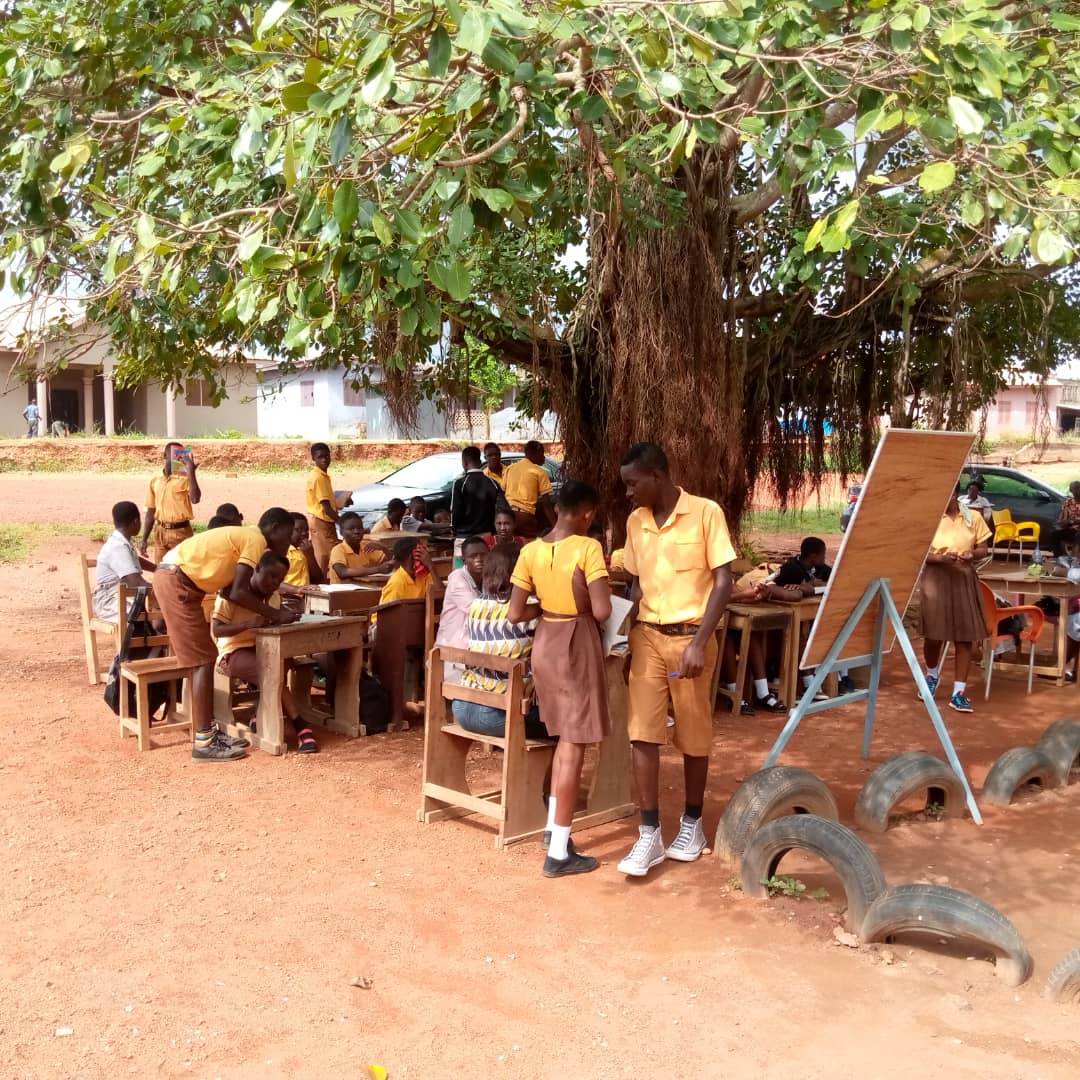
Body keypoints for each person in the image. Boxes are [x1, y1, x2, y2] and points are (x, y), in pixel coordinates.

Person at [617, 442, 734, 878]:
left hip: (690, 639)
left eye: (633, 484)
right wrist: (624, 638)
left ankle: (692, 824)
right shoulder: (635, 522)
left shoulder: (705, 513)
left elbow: (724, 581)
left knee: (692, 733)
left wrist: (700, 643)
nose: (628, 493)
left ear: (657, 476)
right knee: (642, 733)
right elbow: (635, 585)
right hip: (648, 637)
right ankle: (649, 833)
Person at [508, 480, 611, 878]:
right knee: (574, 743)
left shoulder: (530, 551)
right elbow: (601, 611)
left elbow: (515, 613)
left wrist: (544, 609)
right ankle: (558, 854)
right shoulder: (588, 548)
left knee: (564, 739)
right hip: (576, 642)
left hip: (546, 642)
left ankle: (554, 831)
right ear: (587, 514)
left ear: (555, 510)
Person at [153, 508, 299, 761]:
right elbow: (239, 593)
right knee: (203, 661)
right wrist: (275, 615)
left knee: (204, 658)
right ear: (274, 528)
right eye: (287, 537)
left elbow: (230, 591)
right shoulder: (255, 540)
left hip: (179, 579)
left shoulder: (246, 538)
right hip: (177, 581)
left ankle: (208, 733)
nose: (288, 545)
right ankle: (204, 741)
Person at [211, 551, 319, 753]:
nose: (274, 583)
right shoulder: (231, 593)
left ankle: (259, 714)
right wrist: (247, 624)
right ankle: (299, 724)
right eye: (271, 576)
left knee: (285, 661)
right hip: (232, 651)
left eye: (279, 579)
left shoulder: (274, 596)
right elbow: (216, 630)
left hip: (262, 647)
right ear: (257, 569)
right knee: (273, 671)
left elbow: (269, 625)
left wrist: (282, 618)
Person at [456, 543, 549, 740]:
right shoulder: (528, 609)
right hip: (500, 715)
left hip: (463, 707)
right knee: (566, 723)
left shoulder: (476, 605)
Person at [919, 484, 991, 714]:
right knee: (933, 634)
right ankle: (932, 675)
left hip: (963, 577)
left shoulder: (972, 516)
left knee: (964, 636)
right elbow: (919, 552)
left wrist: (972, 554)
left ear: (954, 494)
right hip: (936, 577)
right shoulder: (929, 518)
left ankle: (958, 693)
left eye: (948, 492)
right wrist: (940, 558)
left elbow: (983, 548)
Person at [719, 575, 787, 714]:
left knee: (751, 634)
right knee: (726, 637)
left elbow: (737, 597)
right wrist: (744, 595)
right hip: (706, 624)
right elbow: (715, 599)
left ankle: (763, 693)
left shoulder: (724, 571)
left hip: (725, 617)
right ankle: (733, 694)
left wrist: (757, 595)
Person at [140, 442, 201, 565]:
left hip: (181, 532)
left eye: (180, 455)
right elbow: (151, 511)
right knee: (161, 569)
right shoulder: (155, 480)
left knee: (182, 569)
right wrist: (144, 539)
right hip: (160, 531)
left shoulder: (186, 479)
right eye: (174, 454)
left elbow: (195, 499)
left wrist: (191, 471)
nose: (177, 458)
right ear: (165, 456)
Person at [93, 501, 155, 622]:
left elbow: (133, 560)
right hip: (111, 602)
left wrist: (157, 568)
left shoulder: (121, 541)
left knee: (160, 611)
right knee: (162, 609)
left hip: (121, 596)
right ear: (136, 522)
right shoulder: (118, 547)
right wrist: (165, 589)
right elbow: (136, 583)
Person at [435, 536, 488, 653]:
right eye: (473, 556)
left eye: (483, 555)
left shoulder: (489, 578)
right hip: (454, 648)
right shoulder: (457, 578)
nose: (479, 559)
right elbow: (475, 610)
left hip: (478, 645)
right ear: (464, 559)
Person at [451, 446, 502, 563]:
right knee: (485, 567)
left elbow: (455, 511)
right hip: (486, 537)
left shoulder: (459, 483)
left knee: (459, 570)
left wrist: (454, 529)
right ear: (480, 462)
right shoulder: (493, 483)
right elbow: (501, 509)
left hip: (464, 537)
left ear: (464, 463)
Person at [306, 442, 350, 574]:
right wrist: (343, 523)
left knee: (327, 555)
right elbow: (326, 508)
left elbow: (327, 501)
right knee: (328, 557)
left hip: (323, 521)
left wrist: (342, 502)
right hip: (321, 522)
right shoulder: (318, 478)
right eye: (320, 457)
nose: (324, 459)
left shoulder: (323, 476)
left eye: (326, 456)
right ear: (313, 458)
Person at [502, 441, 554, 538]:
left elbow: (503, 492)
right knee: (530, 544)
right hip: (525, 517)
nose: (544, 457)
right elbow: (546, 503)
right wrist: (555, 526)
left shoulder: (510, 468)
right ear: (536, 453)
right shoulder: (539, 472)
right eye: (542, 454)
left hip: (507, 515)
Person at [377, 536, 442, 606]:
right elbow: (387, 612)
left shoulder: (424, 575)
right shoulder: (397, 582)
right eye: (421, 553)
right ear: (411, 557)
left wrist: (431, 566)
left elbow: (441, 597)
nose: (426, 557)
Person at [328, 512, 390, 583]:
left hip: (363, 586)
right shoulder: (338, 550)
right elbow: (342, 572)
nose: (356, 532)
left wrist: (384, 549)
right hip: (341, 588)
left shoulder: (367, 546)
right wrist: (377, 569)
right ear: (341, 532)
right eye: (351, 529)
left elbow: (390, 562)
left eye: (360, 528)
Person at [282, 512, 325, 592]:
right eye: (298, 530)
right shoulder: (281, 552)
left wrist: (310, 556)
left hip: (305, 595)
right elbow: (274, 582)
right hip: (287, 596)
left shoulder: (306, 550)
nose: (304, 533)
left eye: (306, 530)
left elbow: (318, 579)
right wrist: (296, 589)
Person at [1051, 481, 1080, 555]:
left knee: (1078, 536)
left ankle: (1075, 558)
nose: (1078, 490)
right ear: (1071, 491)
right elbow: (1063, 517)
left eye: (1079, 488)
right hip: (1072, 529)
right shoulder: (1068, 502)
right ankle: (1059, 557)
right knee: (1054, 533)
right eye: (1076, 488)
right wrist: (1061, 523)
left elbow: (1073, 521)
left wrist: (1073, 521)